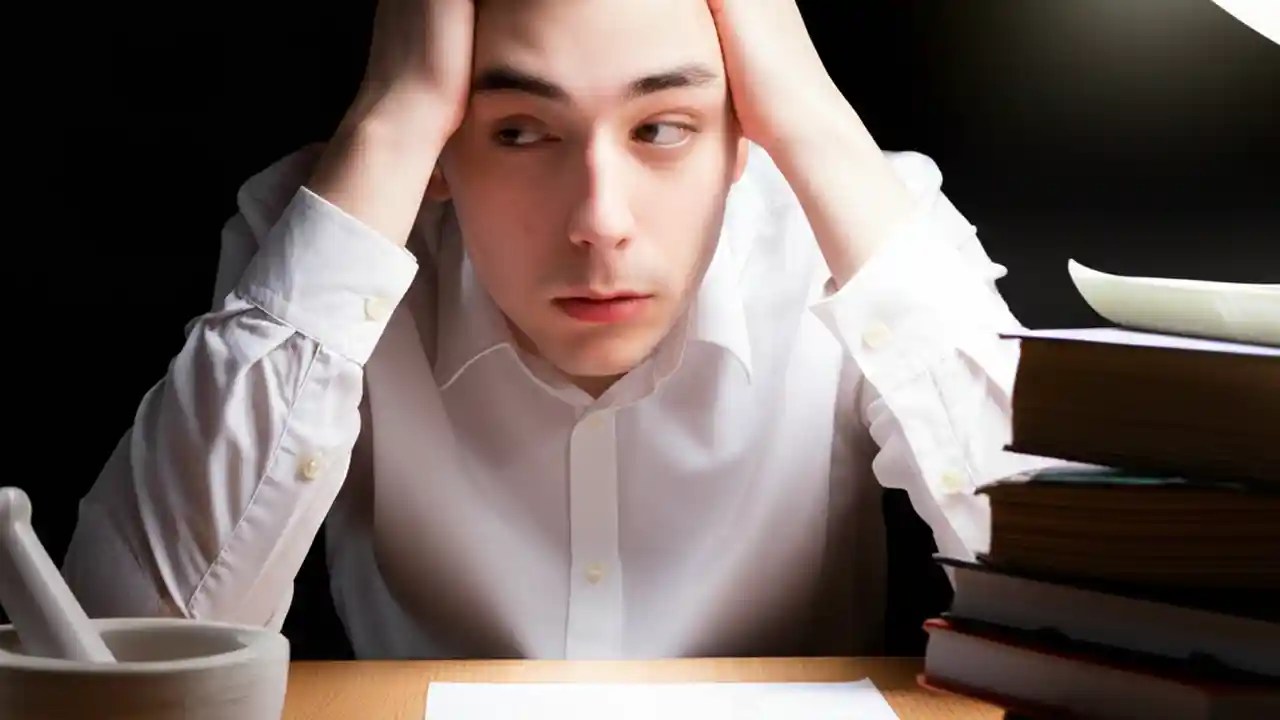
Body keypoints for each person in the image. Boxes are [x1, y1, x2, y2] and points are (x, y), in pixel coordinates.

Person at [61, 0, 1054, 660]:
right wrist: (393, 121)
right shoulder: (329, 244)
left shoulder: (849, 232)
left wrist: (808, 117)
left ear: (740, 135)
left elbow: (1081, 601)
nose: (598, 220)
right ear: (446, 143)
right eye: (520, 132)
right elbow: (115, 666)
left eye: (663, 126)